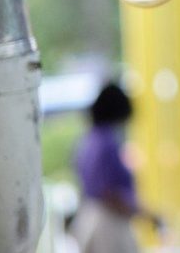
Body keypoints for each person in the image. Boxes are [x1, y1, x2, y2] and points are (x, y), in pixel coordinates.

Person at [69, 82, 162, 253]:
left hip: (90, 219)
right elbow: (109, 194)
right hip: (108, 226)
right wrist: (147, 215)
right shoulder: (107, 142)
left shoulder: (88, 139)